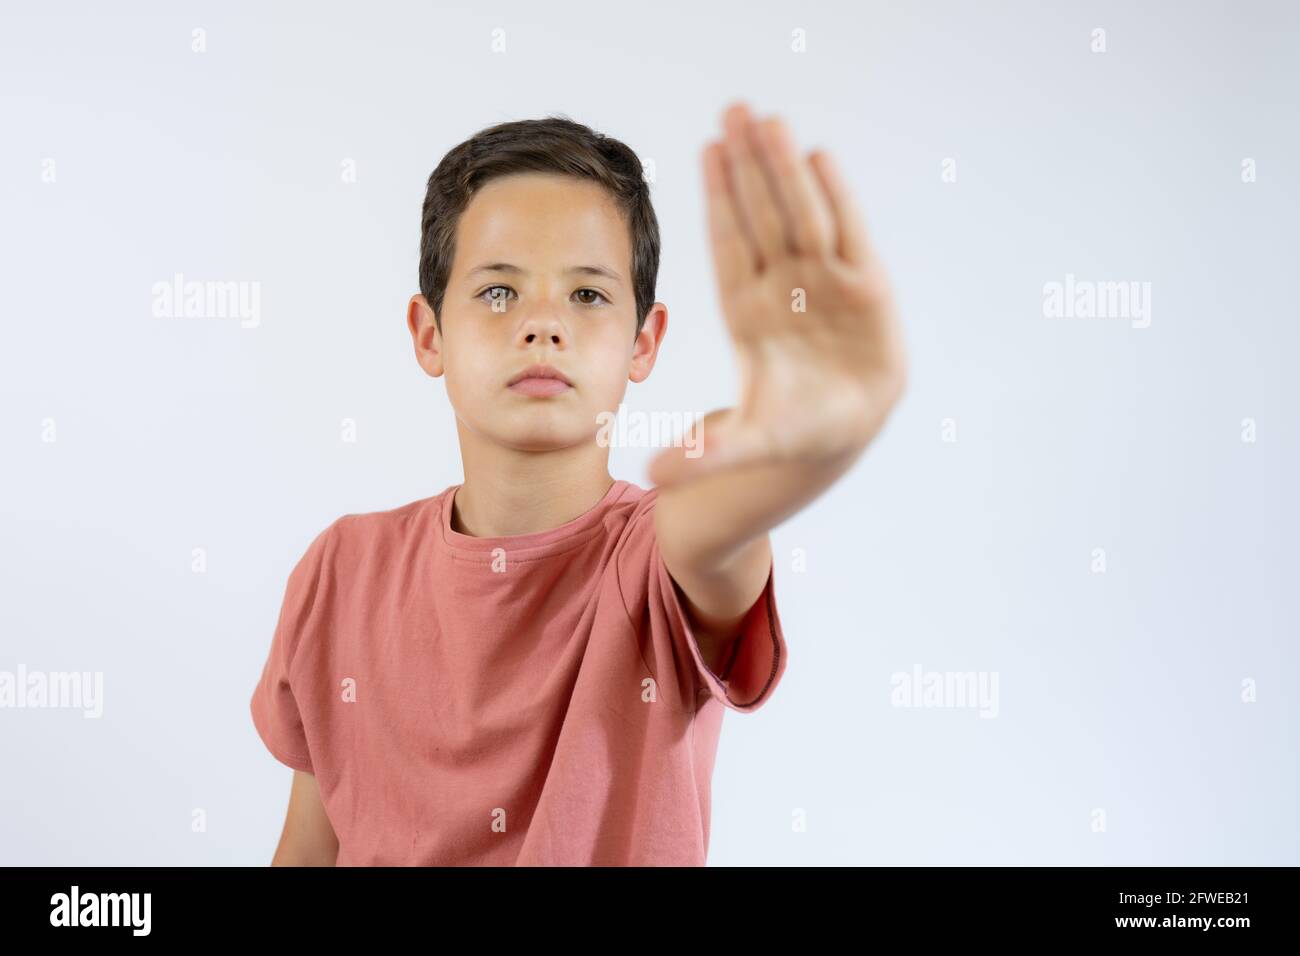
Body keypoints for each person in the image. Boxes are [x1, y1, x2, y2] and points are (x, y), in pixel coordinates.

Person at [249, 100, 907, 866]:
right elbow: (305, 849)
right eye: (499, 292)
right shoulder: (340, 570)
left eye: (587, 295)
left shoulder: (656, 561)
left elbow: (718, 528)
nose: (542, 325)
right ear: (430, 335)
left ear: (644, 341)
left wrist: (800, 444)